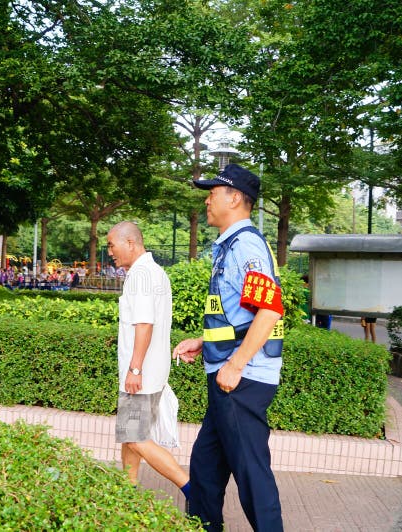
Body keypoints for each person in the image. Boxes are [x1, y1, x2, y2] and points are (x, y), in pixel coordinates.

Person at [173, 164, 284, 531]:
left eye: (213, 192)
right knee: (205, 469)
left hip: (241, 380)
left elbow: (269, 311)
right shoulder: (231, 246)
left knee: (252, 474)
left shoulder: (246, 245)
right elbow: (243, 315)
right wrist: (204, 341)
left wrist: (235, 365)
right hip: (228, 377)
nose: (207, 199)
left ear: (235, 198)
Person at [106, 221, 191, 502]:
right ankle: (127, 491)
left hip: (140, 375)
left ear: (130, 243)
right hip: (152, 373)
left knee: (134, 437)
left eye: (111, 245)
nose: (110, 252)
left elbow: (144, 324)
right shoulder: (155, 272)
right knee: (133, 435)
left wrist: (134, 368)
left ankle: (193, 490)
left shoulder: (141, 275)